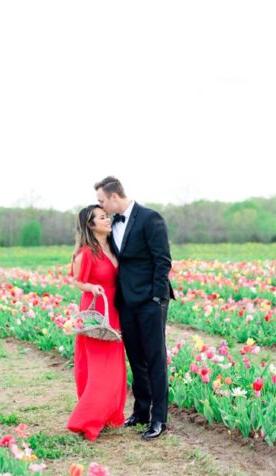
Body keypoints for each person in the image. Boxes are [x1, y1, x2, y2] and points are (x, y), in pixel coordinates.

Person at [94, 176, 174, 440]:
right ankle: (141, 411)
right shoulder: (110, 225)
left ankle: (159, 419)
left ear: (114, 196)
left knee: (155, 359)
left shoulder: (151, 219)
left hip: (151, 302)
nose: (101, 206)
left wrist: (158, 299)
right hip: (125, 303)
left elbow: (162, 261)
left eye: (102, 200)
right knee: (136, 358)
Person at [66, 205, 126, 441]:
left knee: (115, 366)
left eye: (106, 215)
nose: (107, 219)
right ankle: (86, 421)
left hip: (115, 309)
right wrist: (90, 286)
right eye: (102, 217)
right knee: (100, 368)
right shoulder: (86, 252)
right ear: (91, 225)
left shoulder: (113, 246)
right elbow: (76, 280)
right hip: (96, 310)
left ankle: (110, 414)